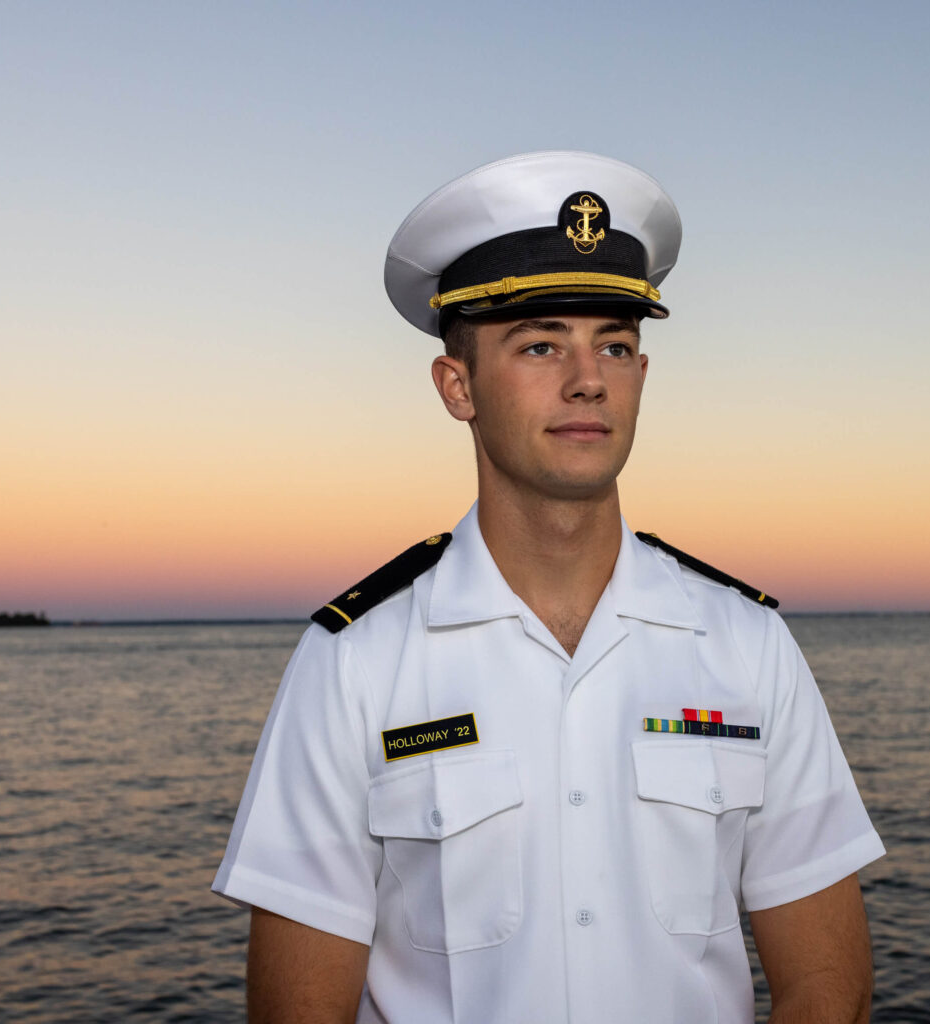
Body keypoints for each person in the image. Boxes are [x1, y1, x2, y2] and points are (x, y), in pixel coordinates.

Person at [213, 151, 885, 1024]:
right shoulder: (356, 661)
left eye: (615, 344)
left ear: (643, 377)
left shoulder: (745, 644)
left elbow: (831, 988)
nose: (587, 379)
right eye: (540, 346)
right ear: (459, 388)